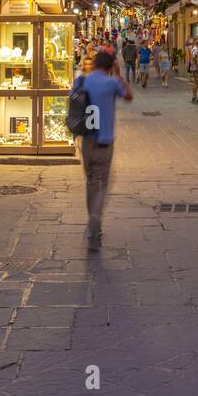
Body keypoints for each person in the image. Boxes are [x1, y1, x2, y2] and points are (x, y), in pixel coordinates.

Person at [75, 50, 133, 250]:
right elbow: (128, 96)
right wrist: (118, 74)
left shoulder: (82, 81)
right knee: (101, 184)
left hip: (86, 141)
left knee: (91, 182)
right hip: (104, 142)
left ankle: (93, 222)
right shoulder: (111, 82)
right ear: (109, 67)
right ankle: (94, 222)